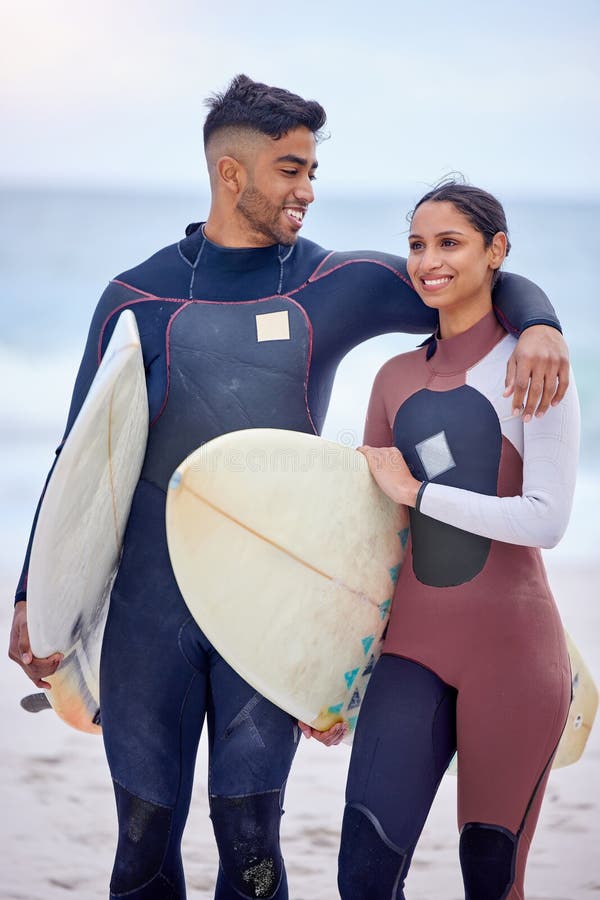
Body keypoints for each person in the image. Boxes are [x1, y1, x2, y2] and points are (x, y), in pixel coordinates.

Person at [8, 76, 569, 900]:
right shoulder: (136, 296)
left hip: (270, 620)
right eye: (290, 170)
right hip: (147, 617)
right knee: (140, 843)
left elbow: (471, 284)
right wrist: (34, 594)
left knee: (252, 847)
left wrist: (543, 323)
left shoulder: (330, 284)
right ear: (231, 173)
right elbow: (78, 453)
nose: (307, 190)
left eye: (312, 171)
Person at [338, 181, 578, 900]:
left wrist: (420, 494)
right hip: (410, 652)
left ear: (495, 251)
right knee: (363, 876)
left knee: (491, 878)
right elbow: (373, 538)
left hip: (514, 654)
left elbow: (546, 520)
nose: (428, 261)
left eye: (450, 243)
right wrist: (330, 674)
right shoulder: (393, 378)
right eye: (417, 245)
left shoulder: (535, 365)